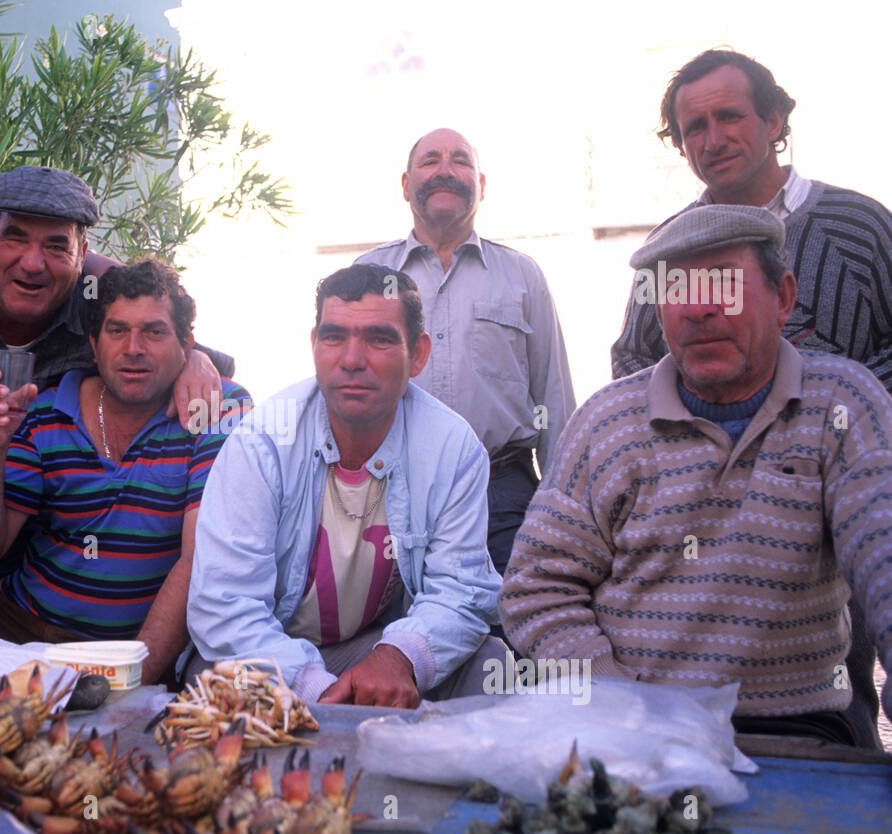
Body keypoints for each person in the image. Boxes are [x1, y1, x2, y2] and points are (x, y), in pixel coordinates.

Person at [504, 206, 892, 747]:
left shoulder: (843, 405)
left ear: (783, 297)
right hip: (633, 726)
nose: (699, 308)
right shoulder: (606, 423)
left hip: (796, 729)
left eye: (725, 283)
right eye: (676, 289)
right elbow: (536, 587)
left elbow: (884, 552)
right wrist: (620, 704)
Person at [610, 47, 892, 746]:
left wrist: (841, 451)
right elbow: (630, 366)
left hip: (840, 527)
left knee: (831, 712)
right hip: (700, 529)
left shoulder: (859, 230)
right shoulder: (668, 249)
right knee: (694, 726)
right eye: (693, 127)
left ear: (774, 119)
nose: (712, 139)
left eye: (729, 116)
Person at [0, 165, 235, 631]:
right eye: (15, 238)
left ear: (83, 253)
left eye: (56, 246)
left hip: (34, 541)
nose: (32, 262)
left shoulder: (95, 305)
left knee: (27, 689)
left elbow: (159, 322)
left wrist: (196, 360)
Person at [0, 259, 250, 686]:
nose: (133, 348)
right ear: (93, 344)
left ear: (188, 344)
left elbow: (198, 556)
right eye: (117, 330)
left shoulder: (217, 409)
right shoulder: (46, 412)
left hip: (131, 647)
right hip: (21, 622)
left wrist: (133, 676)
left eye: (154, 331)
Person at [188, 264, 504, 709]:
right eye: (334, 337)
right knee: (213, 681)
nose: (352, 359)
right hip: (265, 656)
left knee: (490, 662)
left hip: (366, 653)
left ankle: (445, 777)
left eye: (378, 338)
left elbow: (463, 590)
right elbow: (225, 607)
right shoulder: (261, 442)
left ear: (418, 355)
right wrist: (316, 690)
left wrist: (398, 657)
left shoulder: (452, 447)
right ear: (314, 345)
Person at [356, 128, 575, 576]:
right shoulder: (368, 275)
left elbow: (554, 398)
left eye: (460, 161)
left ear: (481, 184)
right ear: (405, 184)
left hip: (501, 493)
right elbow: (339, 391)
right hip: (389, 493)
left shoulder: (521, 276)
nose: (444, 171)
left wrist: (564, 511)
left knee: (520, 624)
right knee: (389, 630)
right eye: (430, 160)